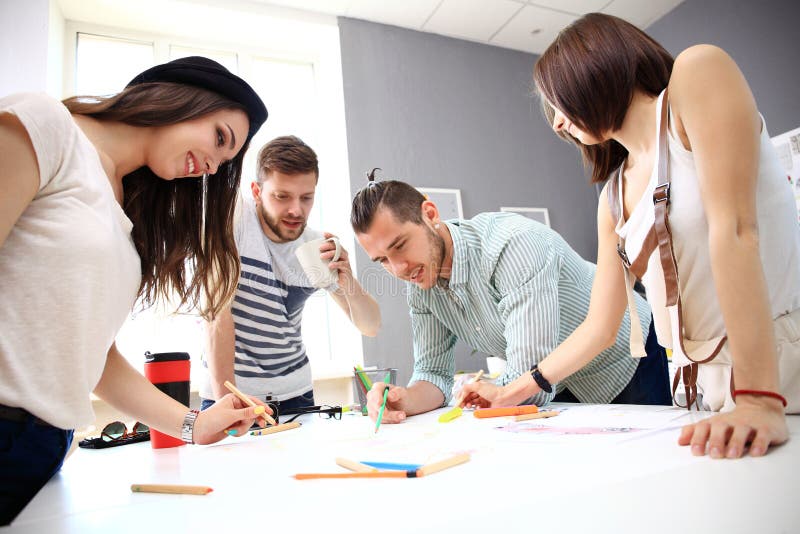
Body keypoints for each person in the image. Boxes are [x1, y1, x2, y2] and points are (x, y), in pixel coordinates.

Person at [0, 56, 272, 525]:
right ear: (180, 96)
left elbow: (94, 358)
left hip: (47, 448)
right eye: (219, 138)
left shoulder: (123, 209)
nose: (212, 167)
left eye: (224, 163)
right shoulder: (48, 126)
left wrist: (195, 425)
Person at [527, 13, 800, 458]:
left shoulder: (697, 74)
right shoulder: (612, 196)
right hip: (704, 395)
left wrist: (757, 399)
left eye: (558, 103)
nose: (558, 124)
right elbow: (600, 326)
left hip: (777, 374)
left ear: (590, 70)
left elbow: (735, 229)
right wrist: (516, 390)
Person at [351, 177, 671, 425]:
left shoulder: (510, 246)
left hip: (625, 361)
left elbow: (527, 376)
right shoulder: (421, 286)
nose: (399, 269)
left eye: (400, 246)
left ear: (430, 214)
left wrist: (500, 392)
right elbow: (433, 374)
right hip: (555, 386)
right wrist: (405, 399)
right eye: (382, 260)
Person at [200, 136, 380, 413]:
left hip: (296, 394)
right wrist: (227, 402)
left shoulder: (314, 246)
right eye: (281, 196)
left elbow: (370, 326)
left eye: (306, 198)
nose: (296, 210)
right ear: (257, 191)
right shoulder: (232, 220)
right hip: (231, 392)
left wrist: (348, 280)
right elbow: (216, 316)